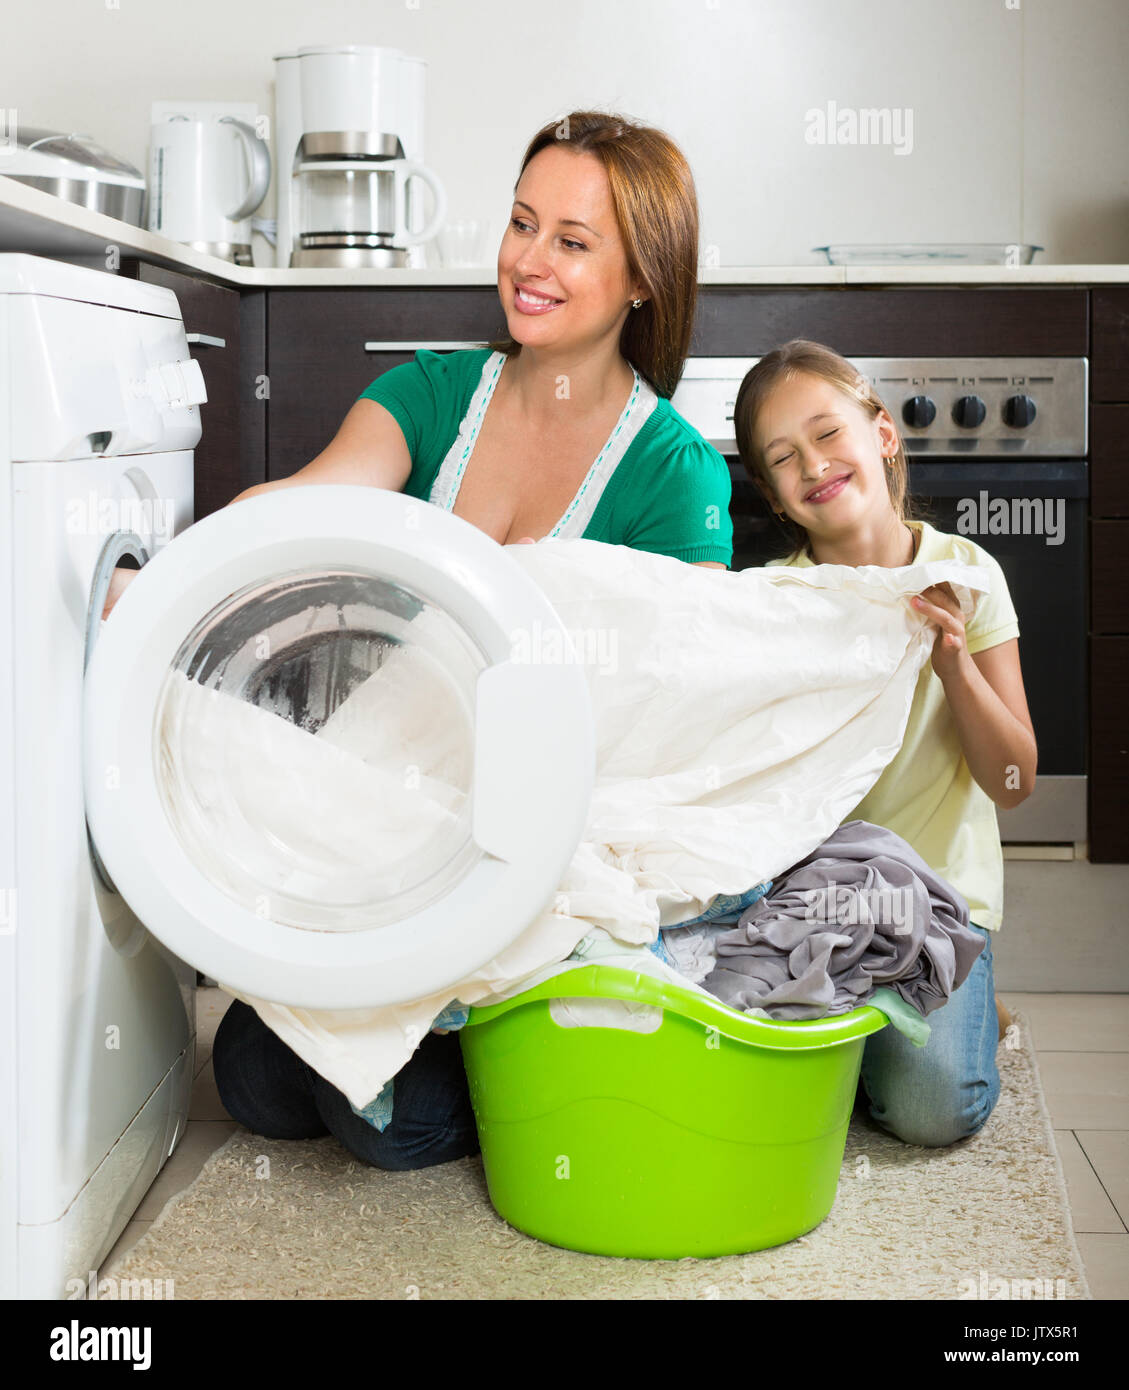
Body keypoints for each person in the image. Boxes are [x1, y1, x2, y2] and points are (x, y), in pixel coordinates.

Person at [105, 110, 735, 1170]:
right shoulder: (434, 391)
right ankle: (432, 1032)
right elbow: (298, 509)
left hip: (539, 851)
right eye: (522, 222)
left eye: (571, 242)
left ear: (641, 280)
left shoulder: (674, 473)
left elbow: (669, 713)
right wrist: (153, 577)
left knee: (373, 1123)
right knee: (256, 1083)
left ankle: (491, 1041)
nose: (528, 262)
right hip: (389, 832)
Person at [732, 338, 1037, 1148]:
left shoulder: (967, 574)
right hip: (813, 903)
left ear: (882, 435)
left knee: (929, 1111)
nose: (814, 464)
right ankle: (891, 1023)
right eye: (784, 457)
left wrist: (954, 663)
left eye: (829, 433)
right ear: (774, 495)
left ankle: (963, 1003)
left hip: (932, 908)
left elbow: (1011, 781)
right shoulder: (773, 602)